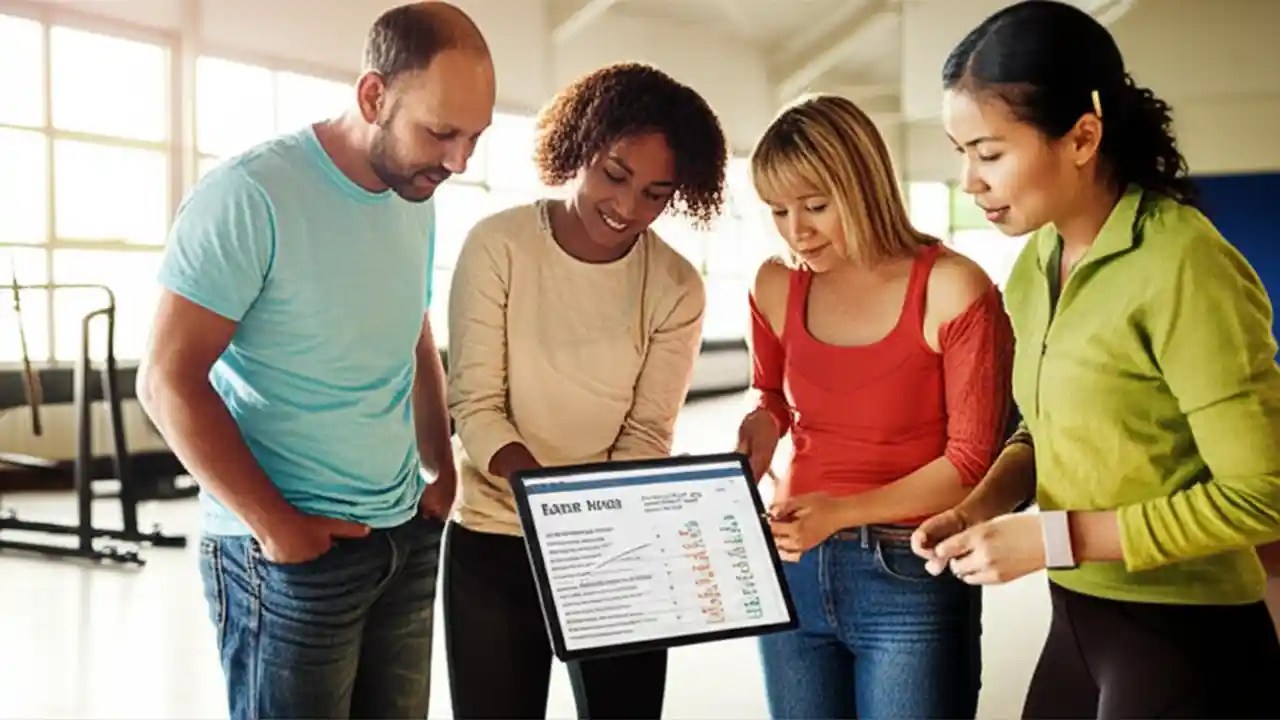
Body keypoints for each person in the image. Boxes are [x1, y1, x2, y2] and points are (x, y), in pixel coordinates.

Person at [911, 2, 1280, 717]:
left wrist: (1054, 536)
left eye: (989, 153)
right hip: (1077, 618)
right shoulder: (1038, 260)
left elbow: (1264, 492)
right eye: (960, 153)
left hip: (1191, 638)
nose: (969, 181)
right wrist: (980, 506)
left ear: (1082, 137)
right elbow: (1044, 430)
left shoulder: (1184, 264)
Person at [135, 3, 495, 718]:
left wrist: (442, 464)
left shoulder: (412, 192)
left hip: (404, 537)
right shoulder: (249, 196)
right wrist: (276, 526)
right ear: (373, 96)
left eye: (475, 138)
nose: (457, 161)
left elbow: (411, 329)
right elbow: (166, 380)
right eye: (441, 132)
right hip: (290, 556)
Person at [442, 62, 727, 719]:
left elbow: (645, 433)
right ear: (579, 146)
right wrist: (549, 508)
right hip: (495, 538)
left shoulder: (677, 287)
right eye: (615, 175)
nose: (627, 208)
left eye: (656, 194)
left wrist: (591, 526)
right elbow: (477, 407)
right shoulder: (498, 246)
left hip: (618, 547)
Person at [734, 93, 1014, 719]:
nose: (795, 230)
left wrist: (840, 512)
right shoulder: (776, 283)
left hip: (907, 571)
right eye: (777, 211)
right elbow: (772, 395)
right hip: (792, 562)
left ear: (862, 186)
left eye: (814, 205)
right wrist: (758, 427)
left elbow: (969, 463)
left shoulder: (951, 286)